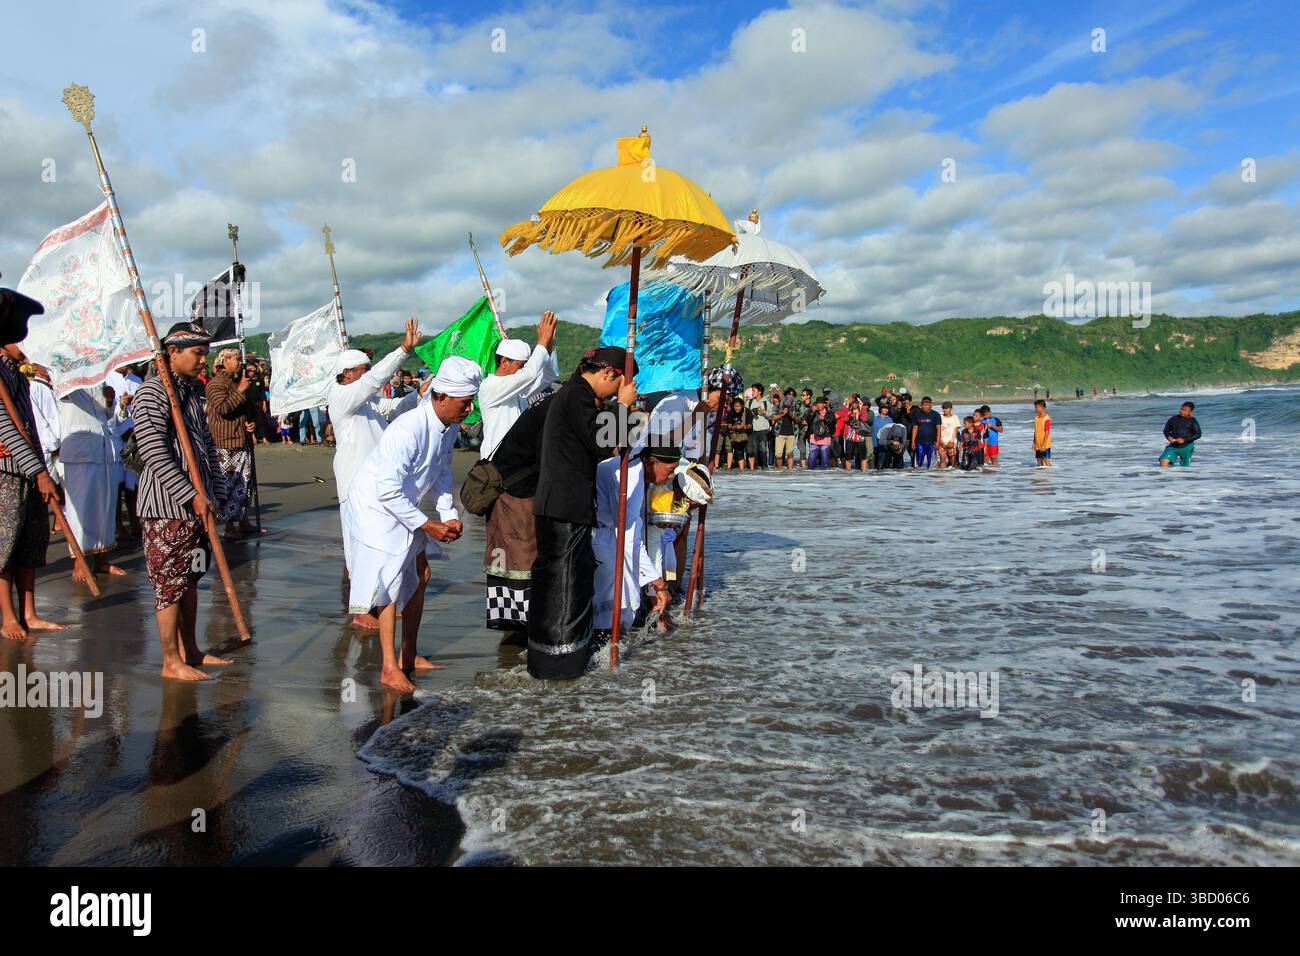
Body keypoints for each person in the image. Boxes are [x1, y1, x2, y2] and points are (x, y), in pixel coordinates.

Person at [345, 356, 481, 692]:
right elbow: (387, 491)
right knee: (389, 582)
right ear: (442, 397)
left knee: (421, 573)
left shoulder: (447, 428)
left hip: (404, 502)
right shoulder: (407, 429)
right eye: (466, 403)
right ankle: (388, 667)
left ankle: (409, 655)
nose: (470, 409)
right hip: (375, 506)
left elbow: (442, 473)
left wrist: (448, 515)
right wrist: (427, 525)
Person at [528, 346, 638, 680]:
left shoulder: (578, 396)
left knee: (567, 583)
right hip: (564, 505)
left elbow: (609, 445)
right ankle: (559, 666)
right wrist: (622, 406)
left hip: (564, 504)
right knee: (564, 587)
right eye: (618, 385)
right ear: (608, 374)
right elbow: (604, 444)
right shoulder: (576, 395)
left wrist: (623, 412)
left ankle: (562, 658)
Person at [133, 323, 236, 680]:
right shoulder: (152, 393)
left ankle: (191, 650)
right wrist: (189, 494)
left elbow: (206, 446)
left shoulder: (191, 393)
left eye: (206, 353)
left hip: (198, 506)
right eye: (197, 353)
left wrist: (216, 492)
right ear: (173, 352)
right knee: (169, 585)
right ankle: (170, 660)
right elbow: (154, 452)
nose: (203, 360)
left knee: (190, 580)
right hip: (166, 507)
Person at [327, 318, 423, 628]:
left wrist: (423, 392)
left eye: (368, 370)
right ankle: (359, 611)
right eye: (363, 371)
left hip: (375, 485)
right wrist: (403, 349)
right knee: (357, 544)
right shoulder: (341, 397)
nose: (368, 376)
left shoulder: (367, 404)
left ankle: (377, 602)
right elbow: (373, 382)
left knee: (378, 541)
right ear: (348, 375)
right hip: (353, 484)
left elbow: (396, 407)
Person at [0, 288, 63, 639]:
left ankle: (29, 612)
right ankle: (8, 616)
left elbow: (29, 428)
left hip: (28, 466)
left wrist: (42, 470)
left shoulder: (16, 375)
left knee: (30, 540)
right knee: (4, 543)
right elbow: (6, 428)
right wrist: (39, 472)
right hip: (5, 471)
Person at [482, 387, 558, 635]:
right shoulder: (541, 423)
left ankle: (515, 623)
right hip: (513, 498)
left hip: (515, 496)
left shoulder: (534, 419)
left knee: (513, 559)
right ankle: (518, 624)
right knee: (518, 560)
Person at [591, 445, 678, 644]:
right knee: (613, 600)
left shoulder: (637, 470)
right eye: (670, 470)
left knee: (625, 596)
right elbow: (628, 537)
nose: (672, 476)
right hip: (601, 535)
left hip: (609, 534)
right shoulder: (629, 478)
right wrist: (658, 583)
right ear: (651, 463)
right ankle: (602, 651)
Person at [58, 385, 128, 579]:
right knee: (80, 509)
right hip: (79, 452)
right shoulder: (63, 379)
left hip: (102, 448)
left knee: (104, 506)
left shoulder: (96, 380)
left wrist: (109, 401)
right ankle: (79, 563)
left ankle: (101, 560)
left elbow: (105, 415)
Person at [478, 311, 558, 459]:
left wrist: (549, 344)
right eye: (521, 365)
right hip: (495, 459)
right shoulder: (490, 386)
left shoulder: (518, 388)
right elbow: (530, 374)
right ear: (503, 362)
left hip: (517, 458)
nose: (523, 370)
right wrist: (541, 342)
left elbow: (549, 376)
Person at [205, 347, 260, 541]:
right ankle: (229, 525)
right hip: (224, 443)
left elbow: (238, 411)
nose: (239, 362)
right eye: (237, 359)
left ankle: (243, 521)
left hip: (240, 439)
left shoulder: (235, 381)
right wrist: (241, 390)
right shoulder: (215, 384)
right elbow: (223, 408)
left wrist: (248, 424)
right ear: (225, 360)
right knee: (227, 485)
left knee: (245, 484)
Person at [1159, 402, 1201, 467]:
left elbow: (1198, 434)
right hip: (1173, 446)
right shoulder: (1173, 419)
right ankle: (1166, 476)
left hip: (1187, 446)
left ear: (1190, 412)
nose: (1182, 411)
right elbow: (1166, 430)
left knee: (1185, 468)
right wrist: (1168, 437)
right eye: (1181, 409)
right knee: (1163, 461)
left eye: (1185, 411)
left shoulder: (1192, 421)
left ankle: (1182, 477)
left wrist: (1184, 440)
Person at [772, 387, 799, 469]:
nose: (790, 396)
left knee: (790, 453)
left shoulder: (796, 405)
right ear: (785, 395)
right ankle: (780, 470)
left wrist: (794, 417)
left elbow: (799, 420)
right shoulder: (779, 405)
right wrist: (782, 414)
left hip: (791, 432)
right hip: (779, 432)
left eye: (792, 395)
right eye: (789, 394)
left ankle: (790, 471)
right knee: (778, 454)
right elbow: (773, 417)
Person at [911, 396, 941, 469]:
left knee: (931, 466)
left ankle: (929, 479)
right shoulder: (917, 414)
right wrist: (913, 441)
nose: (925, 406)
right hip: (919, 443)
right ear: (921, 405)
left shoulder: (936, 415)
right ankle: (919, 479)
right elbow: (915, 428)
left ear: (931, 405)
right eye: (923, 404)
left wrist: (938, 442)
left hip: (931, 443)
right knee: (917, 465)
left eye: (927, 404)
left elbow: (939, 429)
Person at [745, 385, 770, 470]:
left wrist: (764, 412)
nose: (752, 392)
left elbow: (771, 415)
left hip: (763, 429)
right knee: (753, 450)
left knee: (763, 449)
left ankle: (764, 467)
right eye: (752, 390)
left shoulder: (766, 402)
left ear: (759, 392)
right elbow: (745, 414)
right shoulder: (749, 402)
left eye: (754, 390)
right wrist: (752, 412)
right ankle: (754, 468)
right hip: (752, 429)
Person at [807, 398, 834, 470]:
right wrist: (812, 412)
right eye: (817, 403)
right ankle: (809, 476)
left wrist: (824, 418)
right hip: (814, 438)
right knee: (812, 457)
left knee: (825, 459)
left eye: (820, 403)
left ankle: (824, 478)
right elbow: (807, 421)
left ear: (824, 404)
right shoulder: (812, 412)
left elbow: (832, 422)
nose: (818, 405)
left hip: (825, 438)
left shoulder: (829, 413)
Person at [724, 397, 751, 470]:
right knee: (729, 449)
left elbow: (750, 425)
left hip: (742, 434)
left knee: (740, 451)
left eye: (738, 406)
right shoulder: (731, 412)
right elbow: (729, 424)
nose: (737, 408)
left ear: (742, 406)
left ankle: (741, 469)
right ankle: (729, 467)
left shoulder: (746, 411)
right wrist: (734, 427)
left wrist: (743, 426)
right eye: (735, 406)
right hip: (731, 433)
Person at [938, 400, 961, 469]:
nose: (945, 410)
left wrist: (952, 441)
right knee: (943, 460)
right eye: (943, 408)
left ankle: (952, 477)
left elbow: (956, 430)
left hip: (952, 442)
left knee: (953, 462)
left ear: (951, 409)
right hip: (941, 442)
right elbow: (937, 430)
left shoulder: (955, 417)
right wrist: (940, 441)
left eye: (947, 408)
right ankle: (943, 476)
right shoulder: (940, 417)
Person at [1032, 399, 1052, 467]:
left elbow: (1047, 432)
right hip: (1038, 444)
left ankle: (1050, 476)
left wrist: (1043, 445)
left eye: (1036, 407)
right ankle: (1040, 477)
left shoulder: (1047, 418)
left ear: (1041, 407)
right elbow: (1035, 431)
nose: (1035, 409)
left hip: (1045, 444)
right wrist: (1034, 443)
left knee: (1046, 461)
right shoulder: (1036, 418)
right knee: (1039, 462)